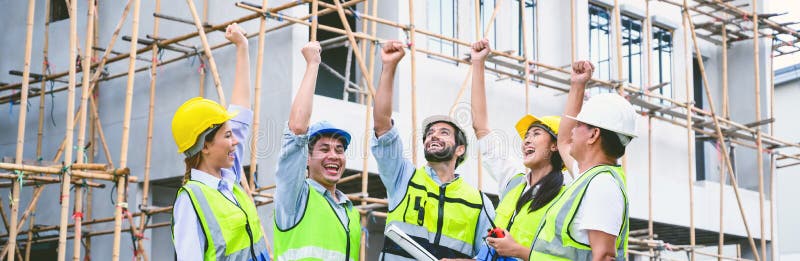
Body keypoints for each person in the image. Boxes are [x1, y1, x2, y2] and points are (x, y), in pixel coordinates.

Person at [372, 40, 495, 260]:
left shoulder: (479, 202)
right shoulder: (403, 179)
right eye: (430, 133)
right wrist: (389, 68)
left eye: (444, 132)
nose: (433, 136)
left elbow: (491, 256)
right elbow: (382, 126)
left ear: (460, 150)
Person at [171, 23, 270, 261]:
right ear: (204, 146)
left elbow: (242, 111)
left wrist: (242, 47)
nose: (235, 140)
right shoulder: (190, 200)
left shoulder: (230, 181)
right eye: (227, 135)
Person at [468, 39, 571, 261]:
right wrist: (478, 64)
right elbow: (481, 127)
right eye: (526, 136)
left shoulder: (566, 198)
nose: (526, 141)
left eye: (536, 134)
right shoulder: (513, 181)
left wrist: (518, 251)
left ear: (555, 145)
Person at [528, 61, 638, 261]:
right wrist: (577, 85)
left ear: (594, 134)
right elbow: (563, 140)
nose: (572, 129)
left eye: (578, 125)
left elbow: (604, 256)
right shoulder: (588, 178)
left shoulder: (602, 184)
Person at [273, 41, 361, 261]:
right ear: (307, 158)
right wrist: (313, 64)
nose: (333, 155)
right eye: (324, 149)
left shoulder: (351, 212)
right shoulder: (295, 197)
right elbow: (297, 129)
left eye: (339, 149)